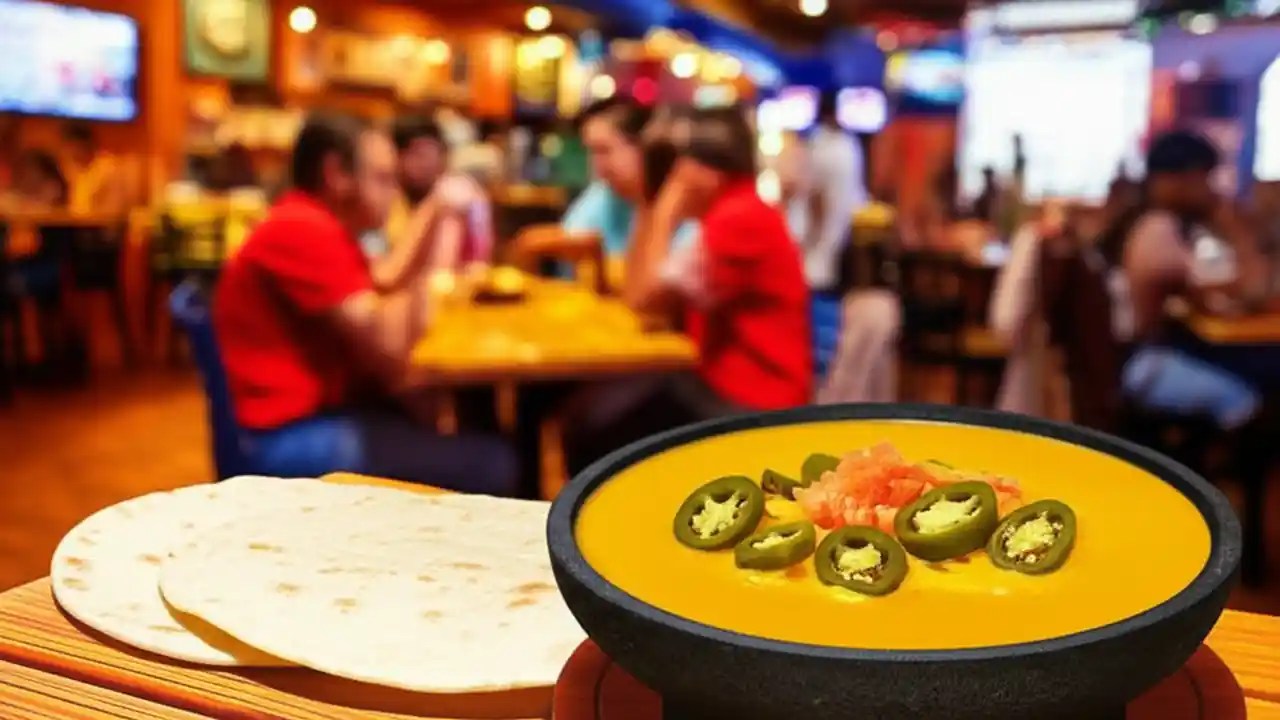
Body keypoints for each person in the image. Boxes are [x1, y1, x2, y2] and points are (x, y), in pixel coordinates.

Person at [214, 113, 518, 493]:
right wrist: (437, 225)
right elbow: (389, 347)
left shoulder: (318, 224)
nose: (394, 192)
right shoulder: (300, 228)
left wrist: (433, 219)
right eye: (383, 179)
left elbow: (384, 284)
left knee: (451, 422)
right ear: (336, 174)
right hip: (282, 438)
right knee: (493, 462)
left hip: (313, 416)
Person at [1111, 131, 1275, 429]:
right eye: (1206, 178)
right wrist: (1236, 229)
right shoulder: (1157, 229)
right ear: (1176, 180)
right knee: (1261, 381)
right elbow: (1250, 292)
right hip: (1147, 366)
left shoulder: (1145, 222)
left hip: (1145, 357)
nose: (1211, 189)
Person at [562, 98, 697, 258]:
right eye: (591, 152)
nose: (596, 165)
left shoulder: (683, 198)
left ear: (644, 147)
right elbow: (565, 248)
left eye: (603, 151)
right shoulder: (603, 194)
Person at [383, 116, 492, 272]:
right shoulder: (386, 197)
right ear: (397, 158)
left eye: (431, 156)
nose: (425, 165)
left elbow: (450, 269)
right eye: (418, 155)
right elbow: (384, 271)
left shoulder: (458, 195)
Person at [798, 92, 868, 292]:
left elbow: (816, 198)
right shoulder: (850, 144)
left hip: (821, 255)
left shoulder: (820, 146)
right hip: (848, 242)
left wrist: (810, 240)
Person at [60, 122, 126, 214]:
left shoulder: (108, 169)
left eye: (71, 147)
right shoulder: (77, 172)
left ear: (84, 145)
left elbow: (112, 214)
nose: (68, 153)